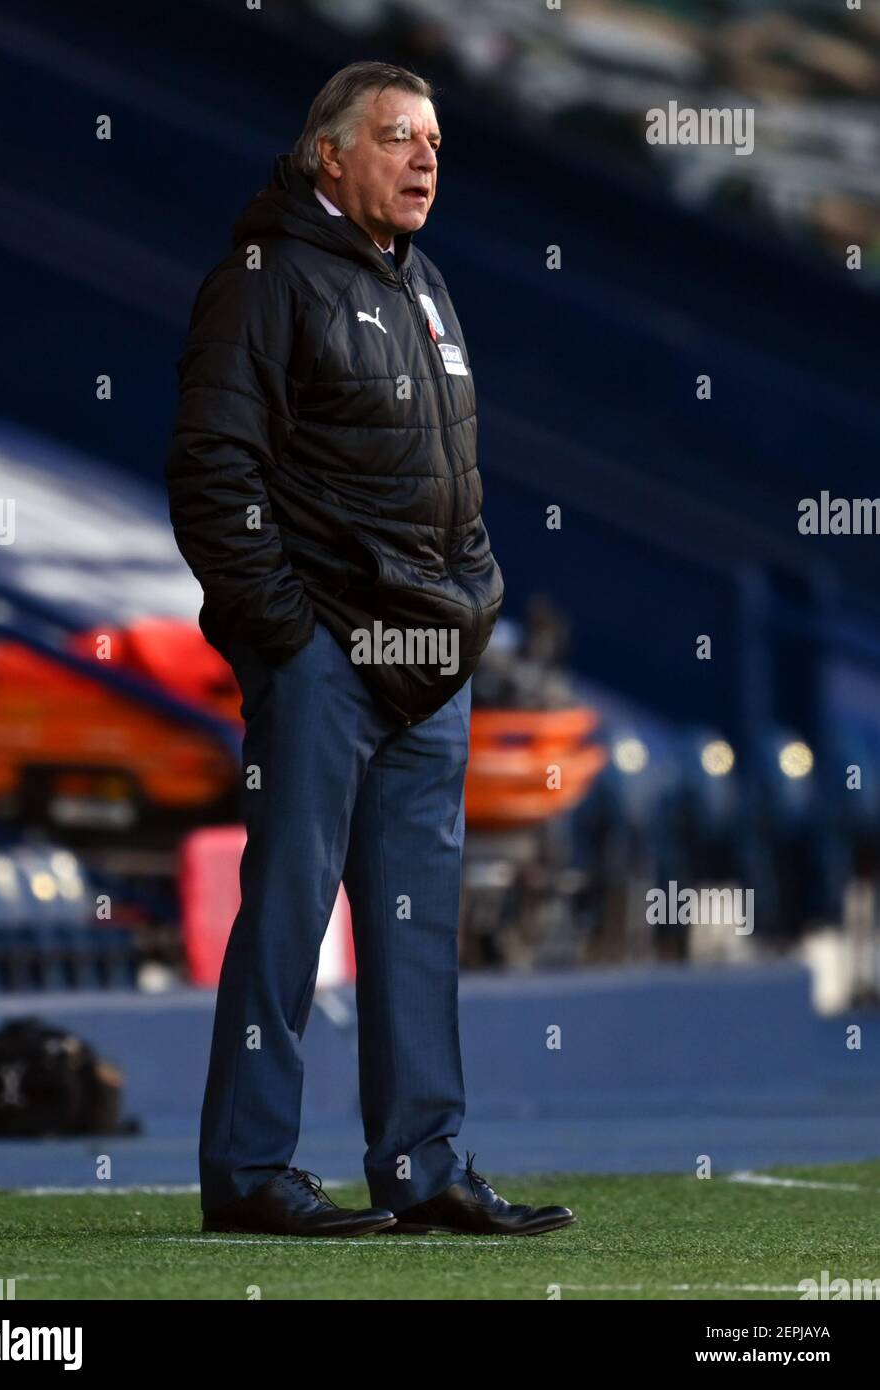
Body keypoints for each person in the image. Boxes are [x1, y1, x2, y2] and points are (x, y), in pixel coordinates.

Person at [165, 60, 575, 1238]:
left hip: (427, 665)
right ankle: (248, 1171)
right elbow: (212, 473)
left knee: (413, 927)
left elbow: (455, 479)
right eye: (397, 136)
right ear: (327, 156)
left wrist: (473, 602)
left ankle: (423, 1163)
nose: (425, 157)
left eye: (434, 139)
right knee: (288, 912)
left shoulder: (426, 283)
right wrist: (288, 635)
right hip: (326, 656)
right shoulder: (262, 279)